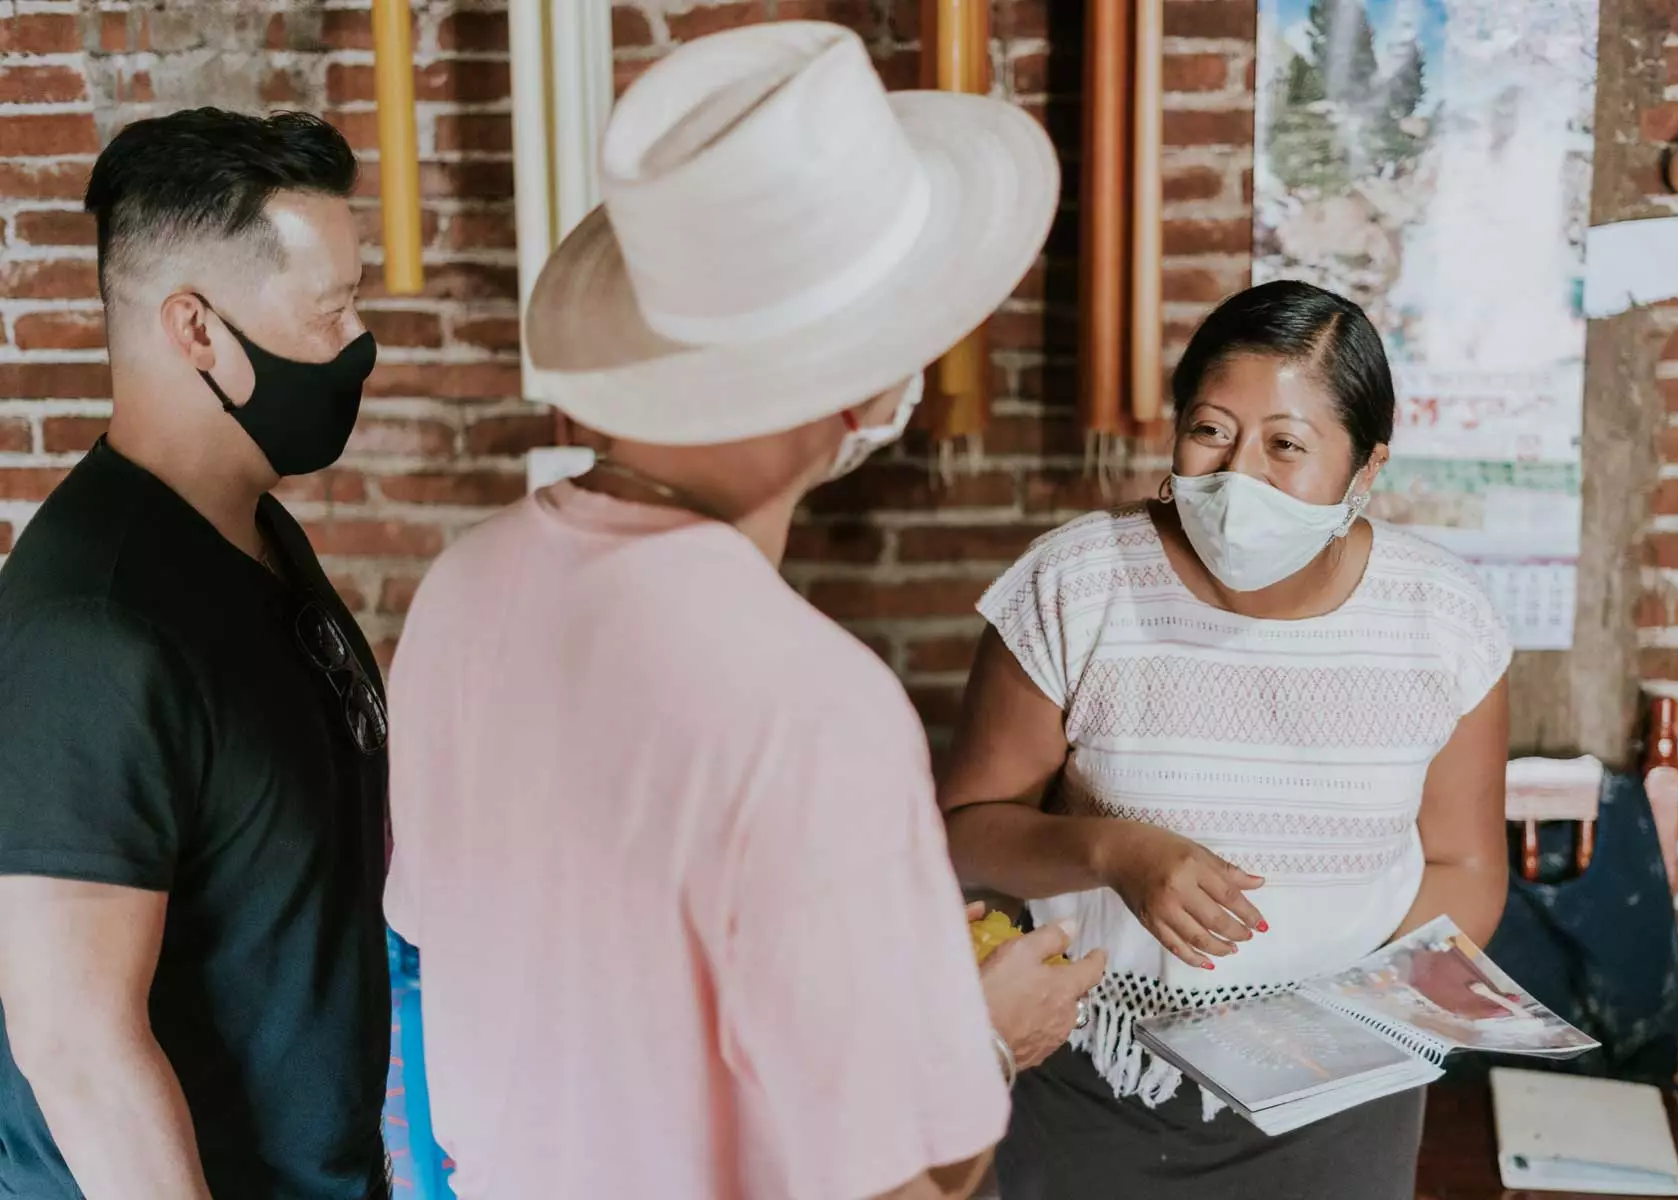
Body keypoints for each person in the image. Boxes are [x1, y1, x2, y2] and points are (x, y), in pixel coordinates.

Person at [383, 21, 1102, 1200]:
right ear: (872, 380)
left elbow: (463, 939)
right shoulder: (807, 702)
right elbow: (900, 1180)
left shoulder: (466, 584)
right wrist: (986, 1040)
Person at [939, 280, 1513, 1199]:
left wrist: (1318, 1029)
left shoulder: (1443, 619)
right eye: (1211, 431)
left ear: (1367, 471)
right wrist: (1111, 849)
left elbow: (1466, 868)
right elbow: (966, 828)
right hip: (1092, 1077)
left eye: (1286, 446)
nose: (1238, 477)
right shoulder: (1076, 585)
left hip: (1341, 1097)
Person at [0, 110, 390, 1199]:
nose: (359, 341)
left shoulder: (252, 533)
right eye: (332, 310)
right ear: (198, 330)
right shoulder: (95, 626)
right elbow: (76, 1046)